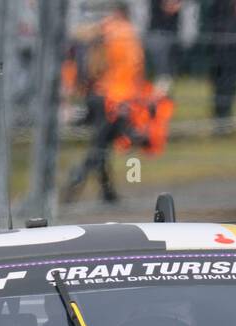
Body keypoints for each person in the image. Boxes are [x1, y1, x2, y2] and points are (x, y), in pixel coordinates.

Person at [62, 2, 173, 203]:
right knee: (101, 145)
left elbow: (79, 46)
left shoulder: (102, 30)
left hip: (98, 94)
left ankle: (106, 192)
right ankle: (77, 181)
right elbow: (131, 70)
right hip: (116, 99)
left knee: (102, 144)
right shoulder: (126, 33)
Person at [204, 0, 236, 135]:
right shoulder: (218, 6)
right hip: (219, 54)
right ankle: (219, 122)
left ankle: (225, 122)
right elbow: (213, 26)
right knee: (219, 89)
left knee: (231, 89)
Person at [145, 0, 183, 93]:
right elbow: (169, 7)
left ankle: (160, 94)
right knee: (162, 70)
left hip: (173, 35)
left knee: (166, 72)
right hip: (156, 34)